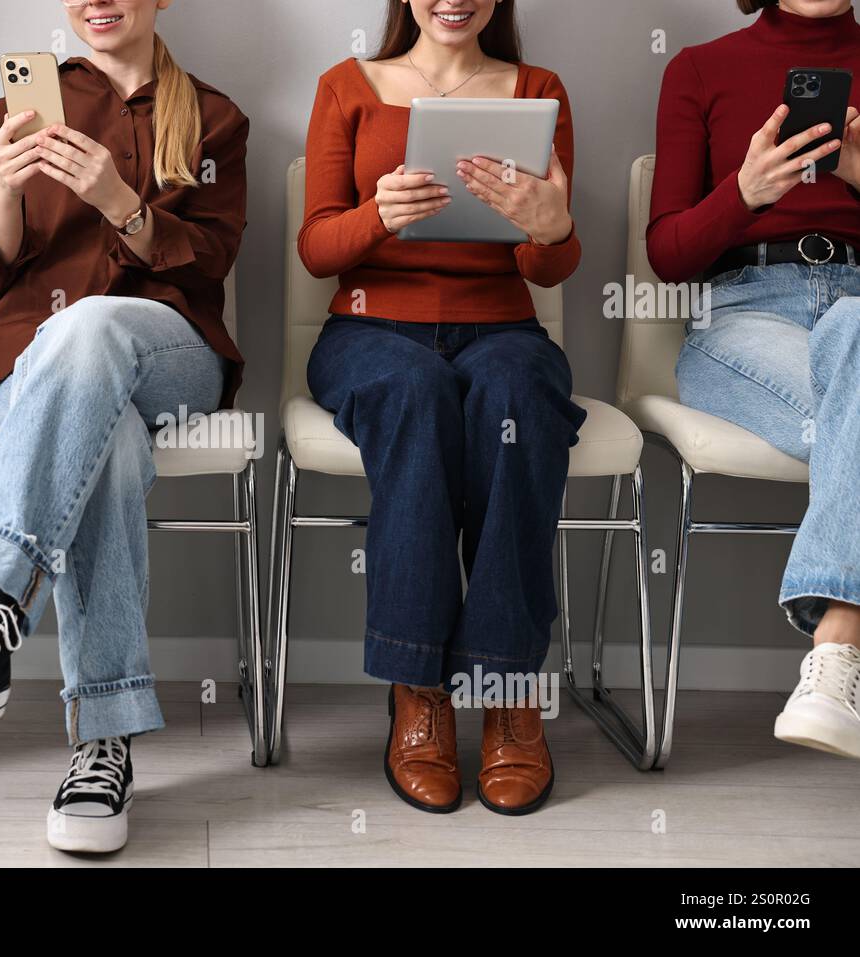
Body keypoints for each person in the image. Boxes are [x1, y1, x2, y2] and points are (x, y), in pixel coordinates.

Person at [0, 0, 248, 853]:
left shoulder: (215, 115)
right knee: (107, 447)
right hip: (31, 359)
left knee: (90, 327)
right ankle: (103, 745)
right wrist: (6, 185)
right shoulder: (27, 102)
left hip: (168, 349)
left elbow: (211, 257)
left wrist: (121, 203)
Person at [299, 0, 584, 815]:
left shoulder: (540, 90)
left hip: (501, 327)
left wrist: (550, 224)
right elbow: (316, 246)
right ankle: (418, 684)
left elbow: (552, 267)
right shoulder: (347, 87)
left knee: (520, 394)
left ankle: (506, 685)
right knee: (418, 394)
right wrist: (374, 218)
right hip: (369, 329)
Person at [650, 0, 860, 760]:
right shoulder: (698, 69)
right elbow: (667, 255)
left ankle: (837, 650)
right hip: (740, 313)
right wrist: (744, 192)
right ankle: (839, 649)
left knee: (859, 331)